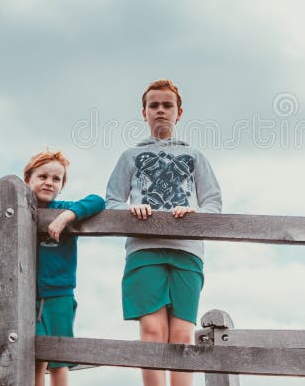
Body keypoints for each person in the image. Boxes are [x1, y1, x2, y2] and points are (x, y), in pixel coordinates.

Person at [106, 79, 223, 386]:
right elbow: (113, 201)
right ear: (143, 112)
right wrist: (132, 210)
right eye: (154, 105)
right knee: (153, 331)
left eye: (167, 105)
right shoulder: (130, 155)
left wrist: (196, 214)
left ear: (179, 112)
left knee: (182, 334)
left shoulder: (194, 155)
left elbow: (213, 203)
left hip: (187, 250)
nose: (160, 110)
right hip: (144, 251)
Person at [0, 150, 104, 386]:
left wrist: (66, 217)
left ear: (62, 185)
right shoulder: (14, 210)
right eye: (43, 176)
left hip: (59, 295)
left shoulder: (64, 208)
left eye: (56, 179)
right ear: (28, 179)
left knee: (59, 357)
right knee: (35, 358)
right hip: (25, 297)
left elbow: (97, 201)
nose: (49, 182)